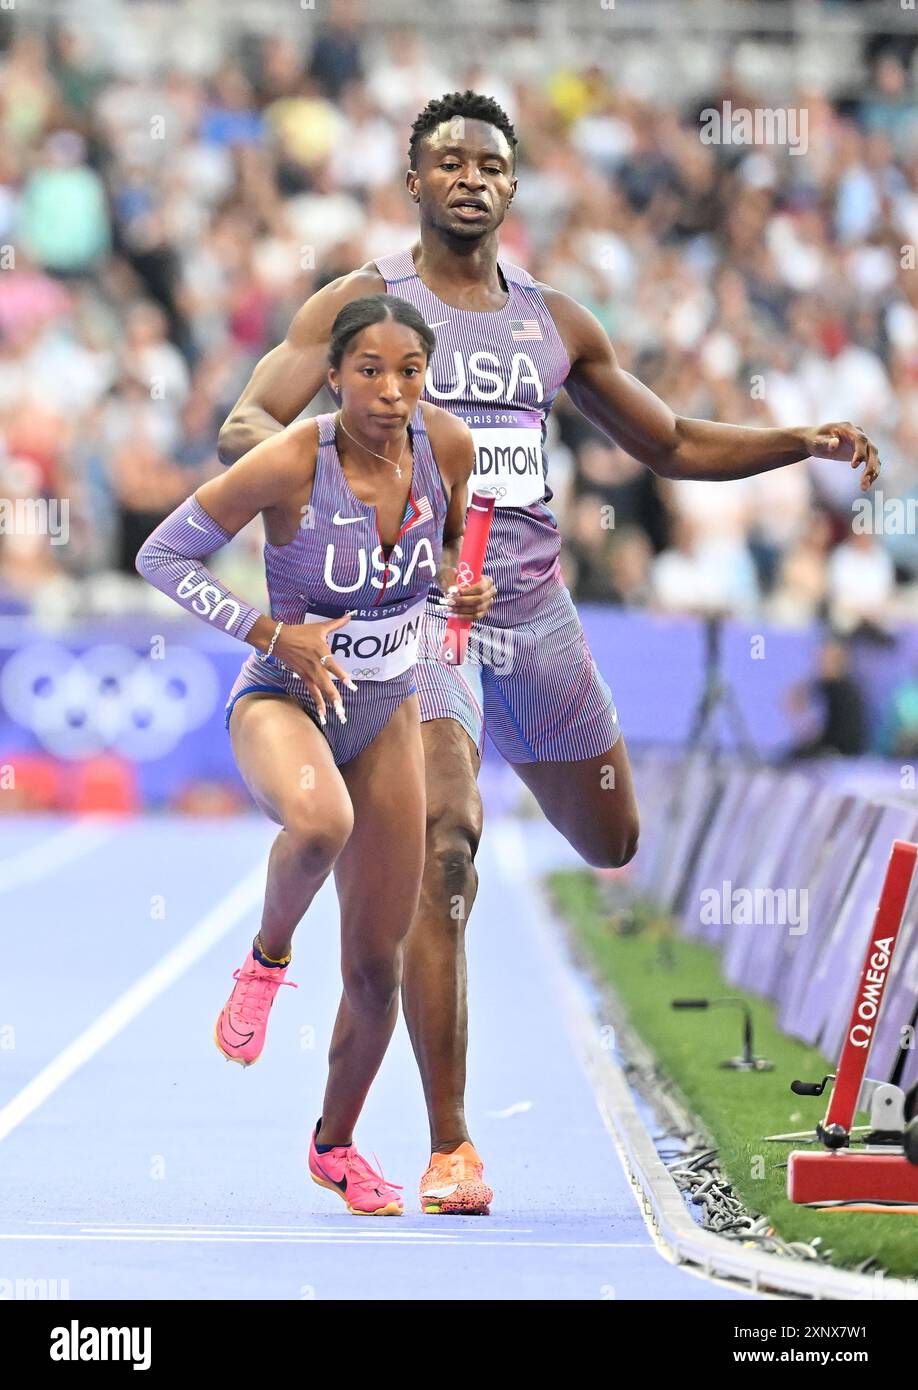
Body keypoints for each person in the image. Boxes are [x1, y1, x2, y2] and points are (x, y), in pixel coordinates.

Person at [217, 91, 882, 1215]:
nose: (470, 177)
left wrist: (796, 439)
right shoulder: (361, 306)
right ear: (414, 180)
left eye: (490, 164)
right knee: (446, 845)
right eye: (448, 162)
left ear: (513, 189)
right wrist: (329, 469)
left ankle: (503, 747)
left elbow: (666, 442)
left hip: (535, 617)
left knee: (613, 834)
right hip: (426, 617)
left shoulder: (556, 325)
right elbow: (245, 422)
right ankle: (451, 1144)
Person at [136, 293, 493, 1214]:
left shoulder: (447, 451)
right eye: (368, 371)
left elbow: (452, 553)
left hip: (386, 711)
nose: (389, 389)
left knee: (378, 968)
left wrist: (463, 593)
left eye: (408, 372)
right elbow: (162, 556)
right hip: (283, 699)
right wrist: (271, 631)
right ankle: (264, 959)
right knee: (319, 819)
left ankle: (335, 1148)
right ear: (333, 377)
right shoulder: (295, 458)